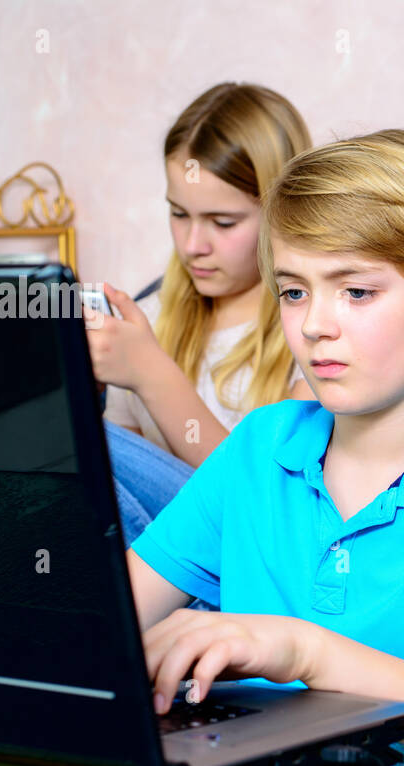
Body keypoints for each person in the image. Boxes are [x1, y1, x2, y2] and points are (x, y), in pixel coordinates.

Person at [124, 129, 404, 757]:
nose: (313, 326)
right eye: (293, 290)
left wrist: (301, 649)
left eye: (356, 291)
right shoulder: (260, 446)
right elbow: (100, 626)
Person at [87, 82, 317, 555]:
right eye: (178, 214)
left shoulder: (316, 325)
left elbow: (264, 497)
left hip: (253, 556)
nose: (193, 245)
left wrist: (151, 374)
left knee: (97, 445)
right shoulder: (148, 318)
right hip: (151, 566)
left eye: (223, 222)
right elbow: (119, 503)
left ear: (281, 212)